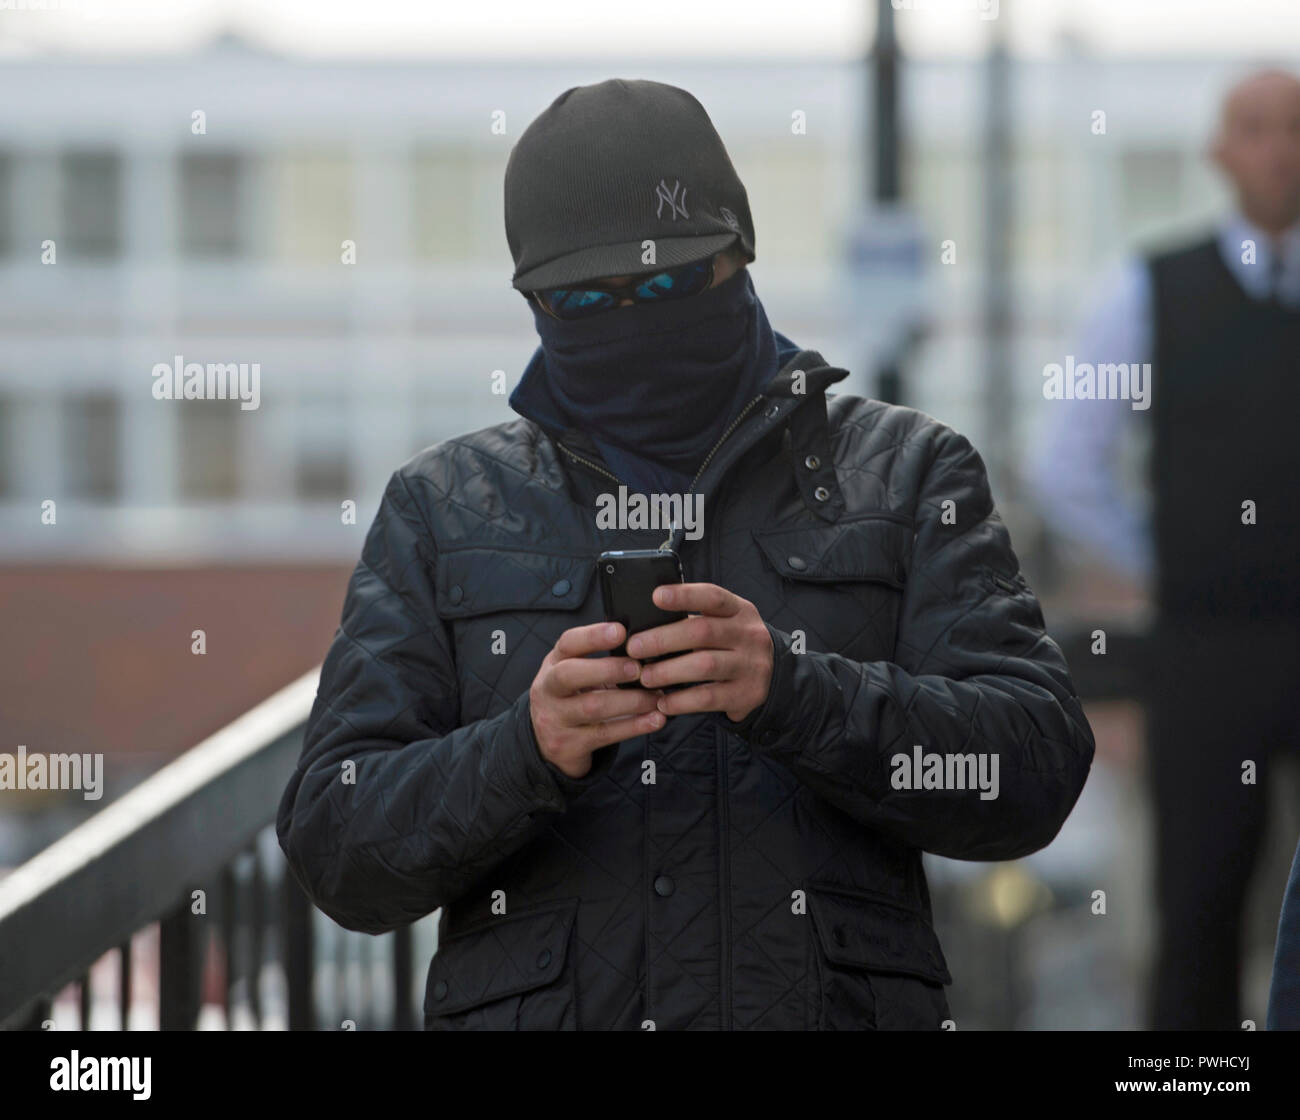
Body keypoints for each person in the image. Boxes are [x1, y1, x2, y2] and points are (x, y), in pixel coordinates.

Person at [277, 78, 1094, 1031]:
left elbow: (1031, 767)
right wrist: (525, 749)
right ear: (535, 301)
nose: (630, 316)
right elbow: (337, 847)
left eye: (663, 284)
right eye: (585, 297)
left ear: (739, 253)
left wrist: (795, 693)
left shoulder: (908, 475)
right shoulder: (443, 508)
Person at [1028, 69, 1300, 1029]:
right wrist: (1169, 558)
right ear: (1220, 152)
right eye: (1256, 129)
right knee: (1198, 912)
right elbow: (1065, 461)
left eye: (1294, 130)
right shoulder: (1150, 287)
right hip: (1204, 647)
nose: (1278, 150)